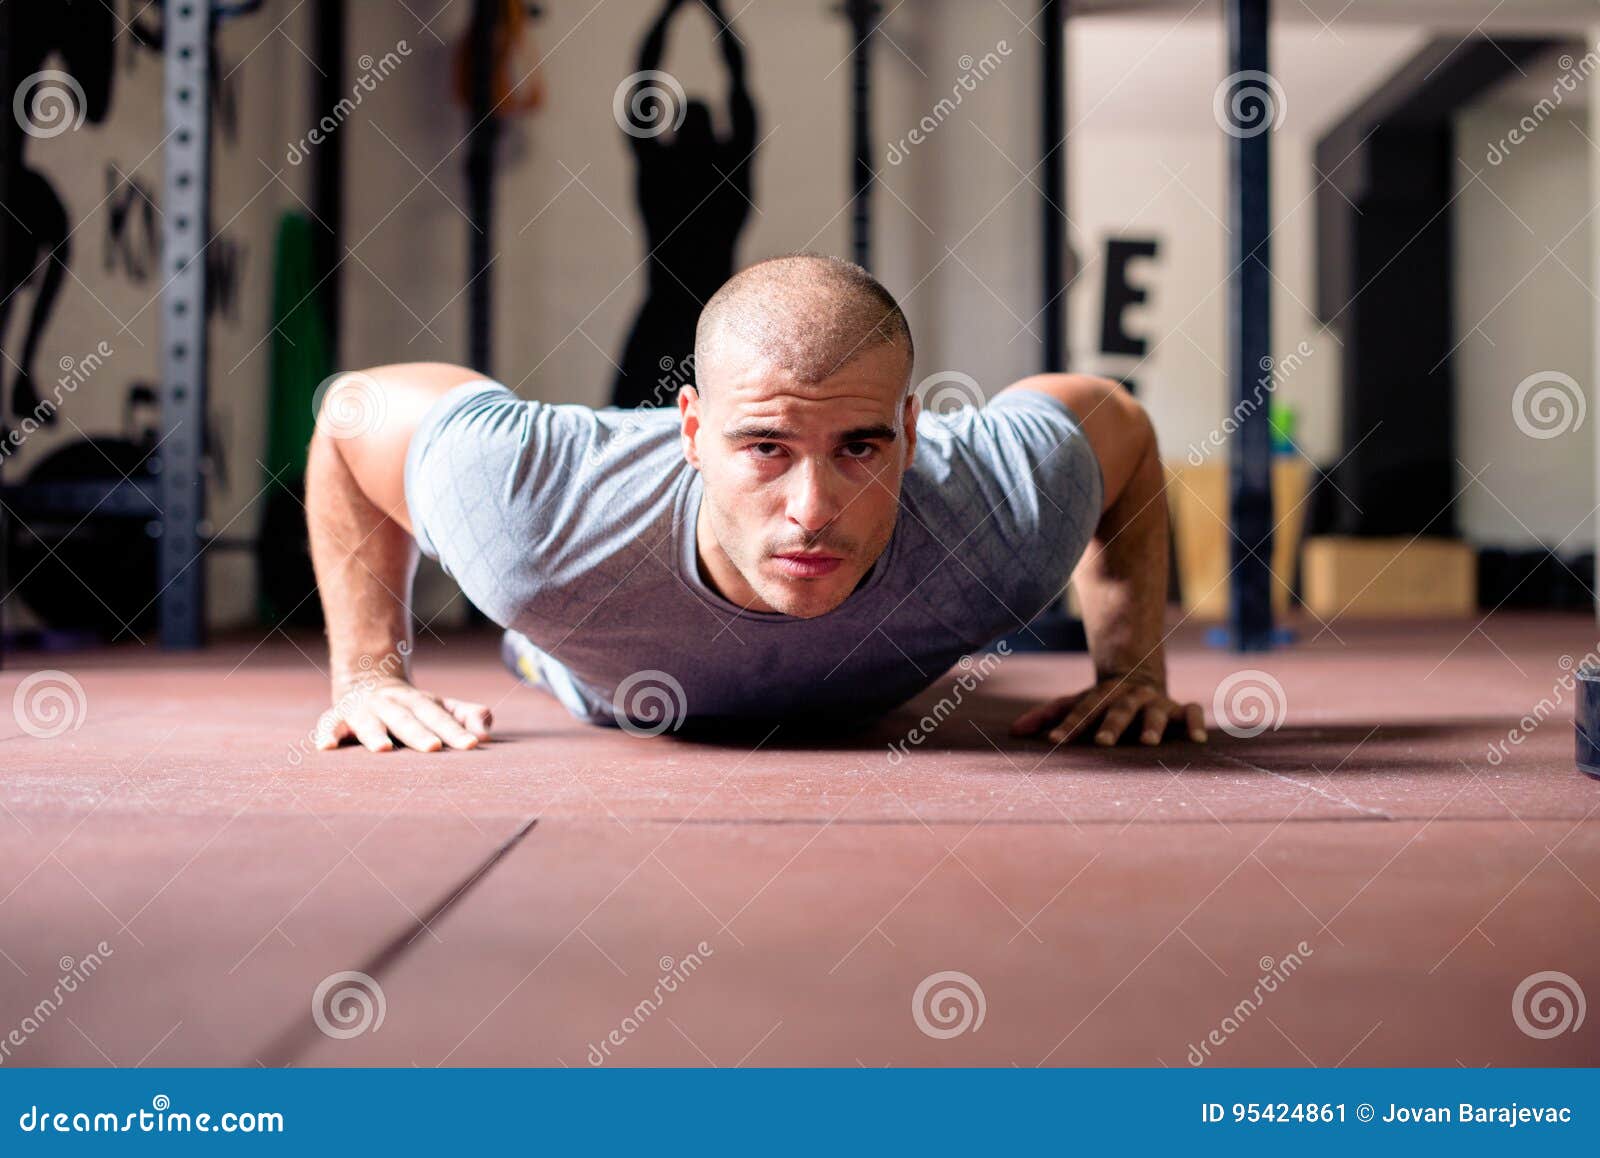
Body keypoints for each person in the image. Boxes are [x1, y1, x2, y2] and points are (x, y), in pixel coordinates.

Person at [306, 253, 1206, 753]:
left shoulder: (1004, 516)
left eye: (860, 447)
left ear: (913, 430)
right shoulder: (532, 520)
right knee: (540, 636)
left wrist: (1131, 671)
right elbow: (349, 414)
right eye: (764, 449)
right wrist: (368, 671)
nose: (812, 508)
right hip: (599, 675)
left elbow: (1115, 419)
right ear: (689, 430)